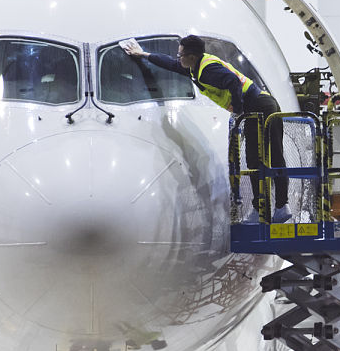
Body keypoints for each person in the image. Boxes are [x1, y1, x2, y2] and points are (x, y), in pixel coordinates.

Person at [122, 35, 289, 224]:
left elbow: (233, 82)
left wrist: (239, 111)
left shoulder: (207, 70)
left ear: (191, 56)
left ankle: (269, 210)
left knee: (259, 158)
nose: (178, 58)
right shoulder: (196, 68)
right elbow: (170, 64)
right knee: (264, 157)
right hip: (262, 104)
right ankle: (278, 207)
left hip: (259, 107)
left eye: (181, 55)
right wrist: (143, 54)